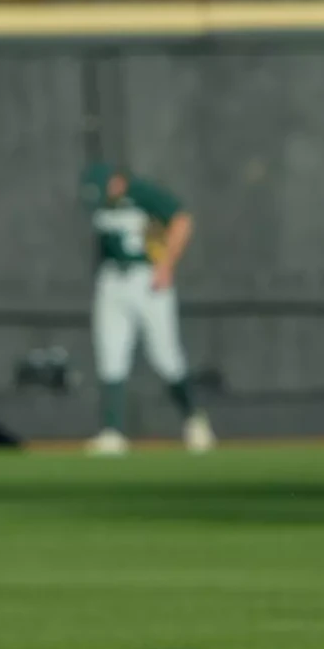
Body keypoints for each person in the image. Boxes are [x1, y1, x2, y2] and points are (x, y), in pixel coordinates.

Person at [77, 162, 212, 455]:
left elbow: (182, 220)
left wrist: (167, 264)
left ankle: (194, 420)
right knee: (110, 354)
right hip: (112, 279)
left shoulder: (142, 194)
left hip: (148, 279)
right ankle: (112, 432)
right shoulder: (103, 204)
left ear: (116, 182)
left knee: (166, 355)